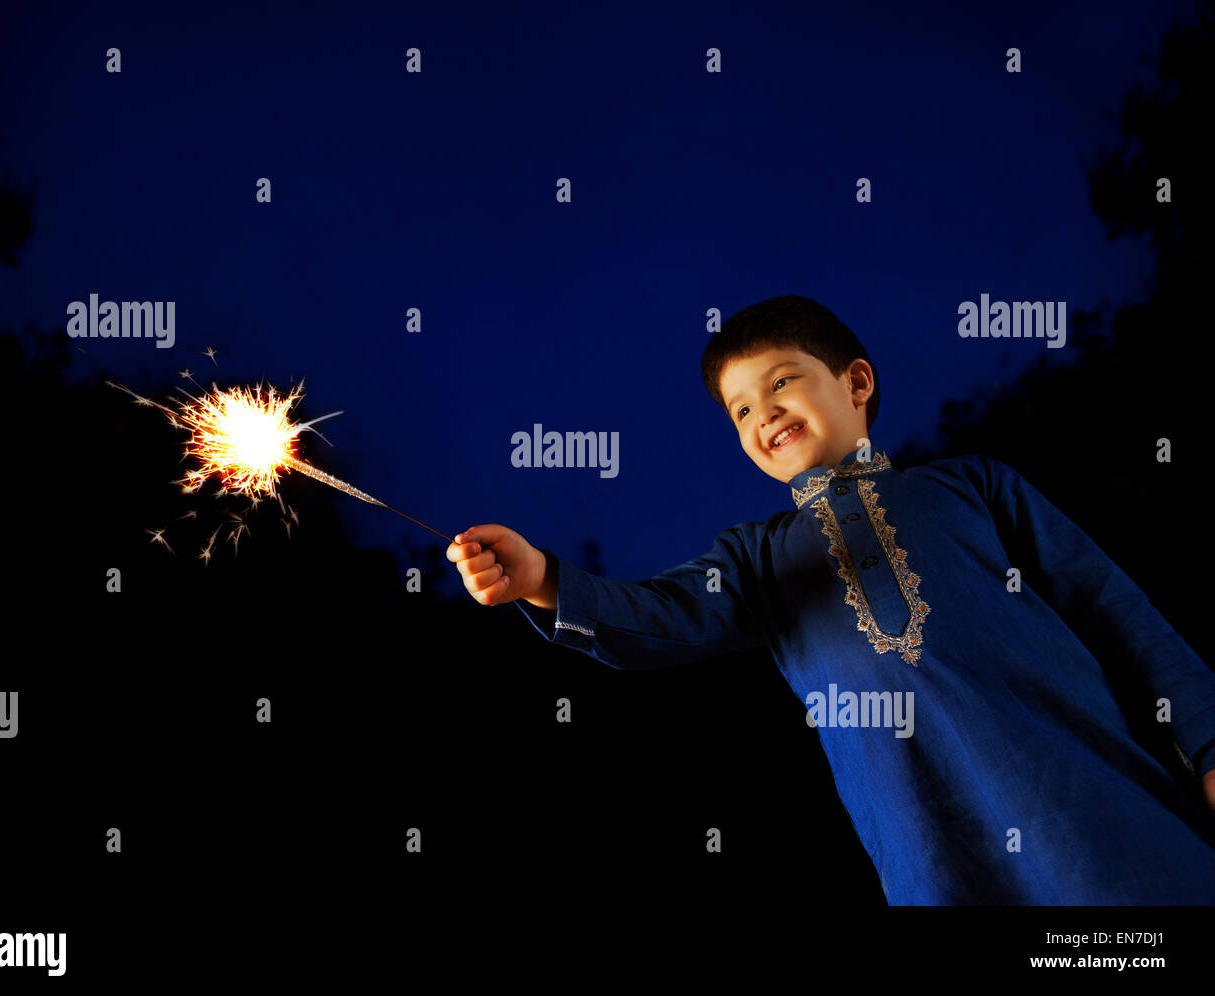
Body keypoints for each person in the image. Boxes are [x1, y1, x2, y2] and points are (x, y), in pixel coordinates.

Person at [446, 295, 1215, 904]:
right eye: (741, 409)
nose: (765, 413)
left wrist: (1209, 746)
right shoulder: (755, 559)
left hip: (1096, 811)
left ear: (855, 382)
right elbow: (661, 617)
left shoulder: (973, 486)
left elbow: (1116, 613)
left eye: (781, 381)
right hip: (935, 856)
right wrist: (544, 579)